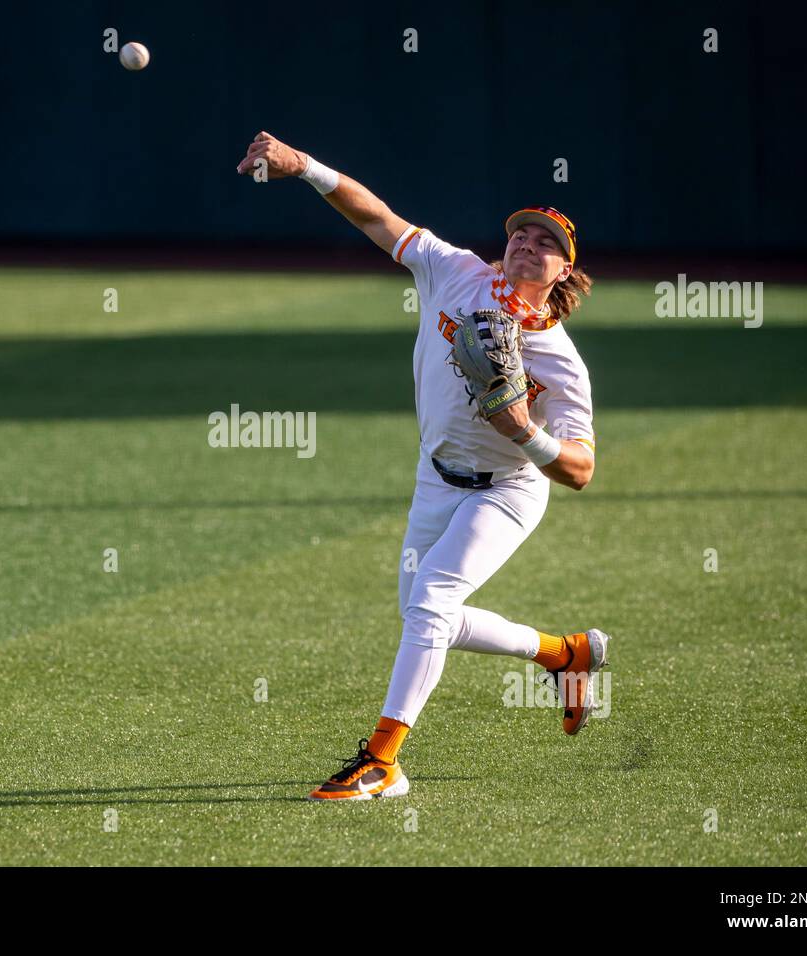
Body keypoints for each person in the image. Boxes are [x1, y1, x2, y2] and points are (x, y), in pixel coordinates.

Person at [235, 132, 612, 801]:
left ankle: (382, 761)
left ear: (563, 272)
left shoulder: (559, 360)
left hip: (507, 492)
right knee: (425, 612)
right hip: (435, 476)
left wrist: (524, 430)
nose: (529, 243)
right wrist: (304, 167)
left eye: (546, 242)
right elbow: (375, 217)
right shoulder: (455, 271)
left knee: (432, 600)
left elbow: (581, 469)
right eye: (522, 234)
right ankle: (565, 654)